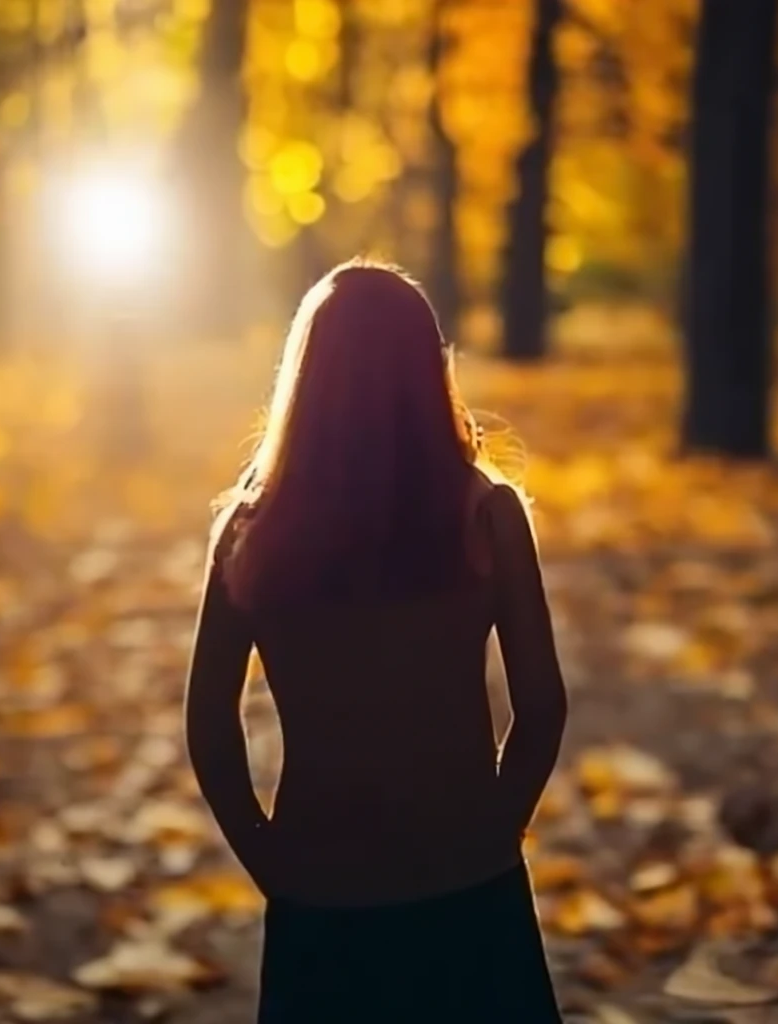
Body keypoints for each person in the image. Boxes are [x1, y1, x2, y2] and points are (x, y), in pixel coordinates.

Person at [183, 258, 568, 1023]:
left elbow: (209, 725)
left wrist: (267, 857)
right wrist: (493, 834)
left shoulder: (253, 532)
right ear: (430, 371)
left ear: (305, 376)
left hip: (322, 887)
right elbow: (543, 705)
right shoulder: (486, 518)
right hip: (467, 881)